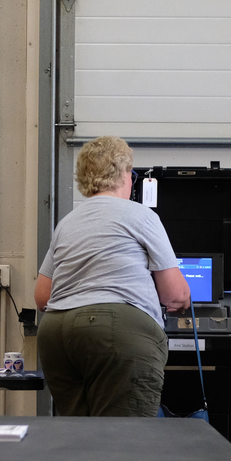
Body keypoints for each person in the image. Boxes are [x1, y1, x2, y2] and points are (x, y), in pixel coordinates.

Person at [34, 135, 191, 416]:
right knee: (123, 444)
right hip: (117, 331)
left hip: (56, 335)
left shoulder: (67, 223)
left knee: (81, 439)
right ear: (124, 174)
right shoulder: (141, 215)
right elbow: (175, 294)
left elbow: (43, 296)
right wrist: (179, 300)